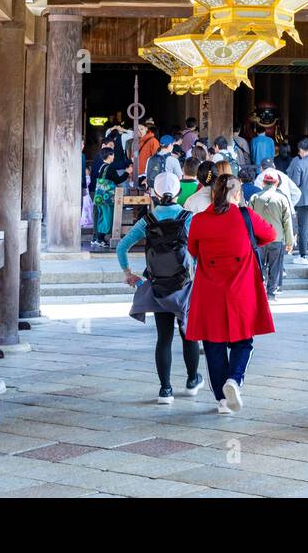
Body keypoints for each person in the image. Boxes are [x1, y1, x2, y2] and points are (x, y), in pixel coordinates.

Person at [185, 174, 277, 414]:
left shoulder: (199, 221)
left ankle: (222, 400)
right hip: (241, 287)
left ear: (213, 193)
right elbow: (270, 235)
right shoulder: (246, 216)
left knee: (213, 344)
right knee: (243, 340)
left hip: (209, 289)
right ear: (237, 194)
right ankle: (234, 380)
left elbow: (193, 249)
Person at [117, 173, 203, 403]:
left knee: (163, 338)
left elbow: (122, 247)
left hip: (158, 284)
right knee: (189, 336)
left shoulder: (148, 220)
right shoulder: (189, 218)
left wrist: (128, 273)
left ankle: (165, 390)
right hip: (186, 285)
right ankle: (192, 380)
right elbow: (201, 249)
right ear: (177, 193)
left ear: (155, 193)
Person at [249, 169, 295, 298]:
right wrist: (289, 241)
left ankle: (259, 292)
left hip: (259, 240)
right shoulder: (282, 198)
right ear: (276, 183)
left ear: (263, 183)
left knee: (259, 266)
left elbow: (249, 221)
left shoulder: (255, 197)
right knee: (275, 267)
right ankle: (271, 293)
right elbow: (287, 221)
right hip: (276, 238)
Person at [91, 147, 128, 250]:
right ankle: (100, 239)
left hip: (99, 197)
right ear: (109, 156)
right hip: (106, 198)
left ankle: (96, 238)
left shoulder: (101, 166)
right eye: (112, 154)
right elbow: (118, 179)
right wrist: (127, 172)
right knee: (107, 218)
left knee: (101, 217)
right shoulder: (110, 167)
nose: (113, 156)